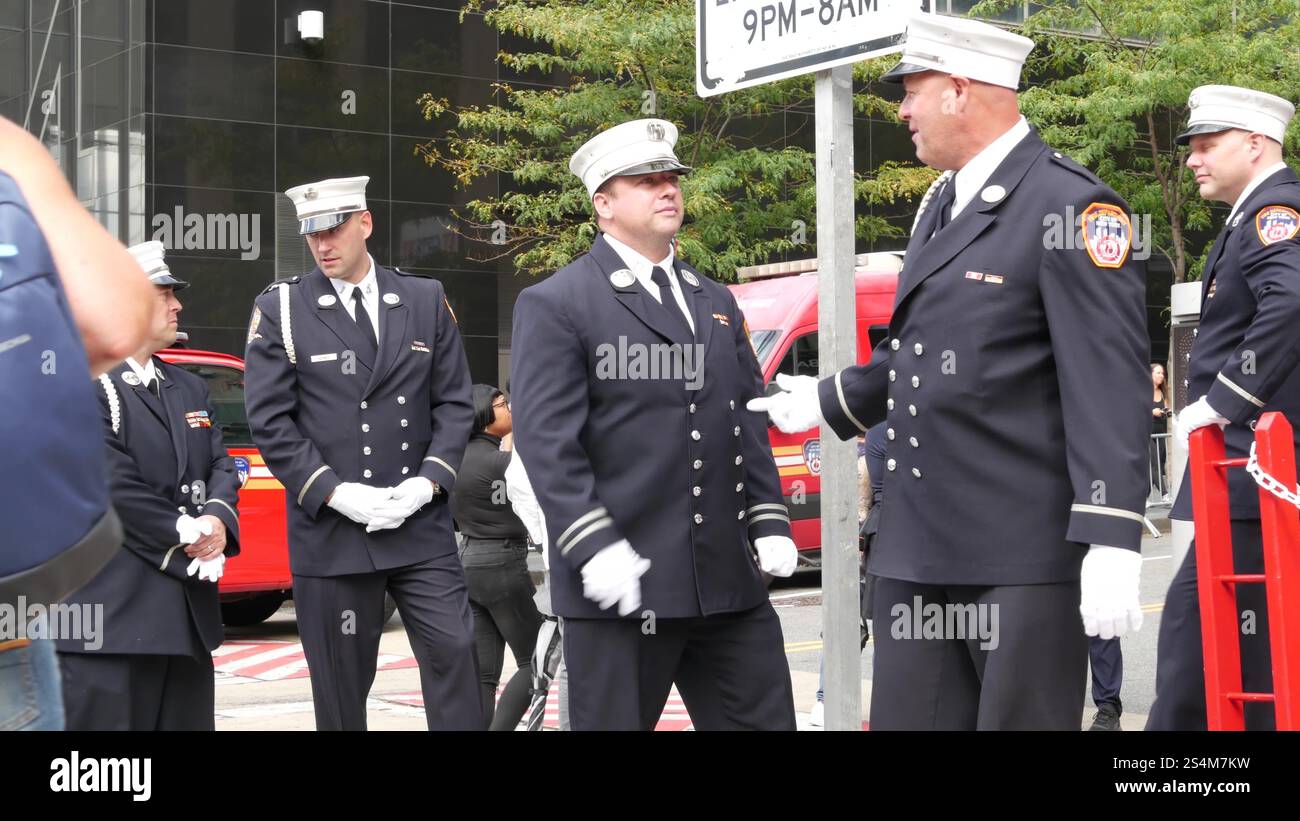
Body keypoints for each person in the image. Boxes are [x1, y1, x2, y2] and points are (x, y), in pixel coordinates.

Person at [749, 14, 1151, 730]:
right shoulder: (941, 202)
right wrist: (827, 398)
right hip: (916, 548)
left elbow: (1108, 380)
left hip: (1019, 556)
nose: (902, 109)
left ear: (961, 90)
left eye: (913, 90)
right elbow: (916, 353)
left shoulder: (1072, 207)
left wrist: (1114, 532)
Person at [510, 118, 799, 730]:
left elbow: (742, 417)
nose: (667, 189)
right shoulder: (559, 303)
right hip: (622, 582)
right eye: (645, 181)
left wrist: (769, 519)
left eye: (671, 178)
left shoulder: (713, 300)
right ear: (604, 204)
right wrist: (591, 546)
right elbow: (548, 443)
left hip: (726, 580)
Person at [243, 175, 480, 730]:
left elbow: (452, 402)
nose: (323, 244)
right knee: (342, 689)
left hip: (418, 526)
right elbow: (271, 421)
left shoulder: (422, 298)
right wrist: (336, 493)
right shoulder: (285, 308)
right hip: (333, 534)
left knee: (457, 655)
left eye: (334, 229)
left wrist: (428, 482)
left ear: (365, 224)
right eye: (312, 234)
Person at [1147, 84, 1299, 731]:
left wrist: (1224, 399)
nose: (1192, 160)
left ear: (1256, 144)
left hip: (1253, 474)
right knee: (1230, 662)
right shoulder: (1250, 217)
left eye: (1208, 145)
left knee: (1202, 659)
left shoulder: (1276, 210)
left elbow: (1290, 302)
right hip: (1244, 479)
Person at [55, 241, 240, 730]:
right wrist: (184, 533)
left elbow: (221, 464)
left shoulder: (190, 387)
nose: (177, 305)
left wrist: (217, 520)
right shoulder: (82, 381)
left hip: (184, 620)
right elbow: (108, 480)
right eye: (163, 294)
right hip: (112, 622)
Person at [450, 385, 545, 730]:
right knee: (535, 661)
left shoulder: (454, 458)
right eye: (504, 405)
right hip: (504, 564)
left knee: (484, 674)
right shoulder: (502, 463)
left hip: (468, 563)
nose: (510, 410)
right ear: (483, 415)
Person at [1150, 363, 1171, 502]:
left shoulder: (1163, 392)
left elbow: (1167, 408)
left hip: (1161, 432)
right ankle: (1164, 494)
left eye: (1162, 373)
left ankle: (1143, 496)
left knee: (1160, 462)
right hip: (1147, 432)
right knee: (1154, 463)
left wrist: (1167, 412)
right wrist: (1151, 412)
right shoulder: (1144, 391)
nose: (1161, 376)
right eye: (1158, 373)